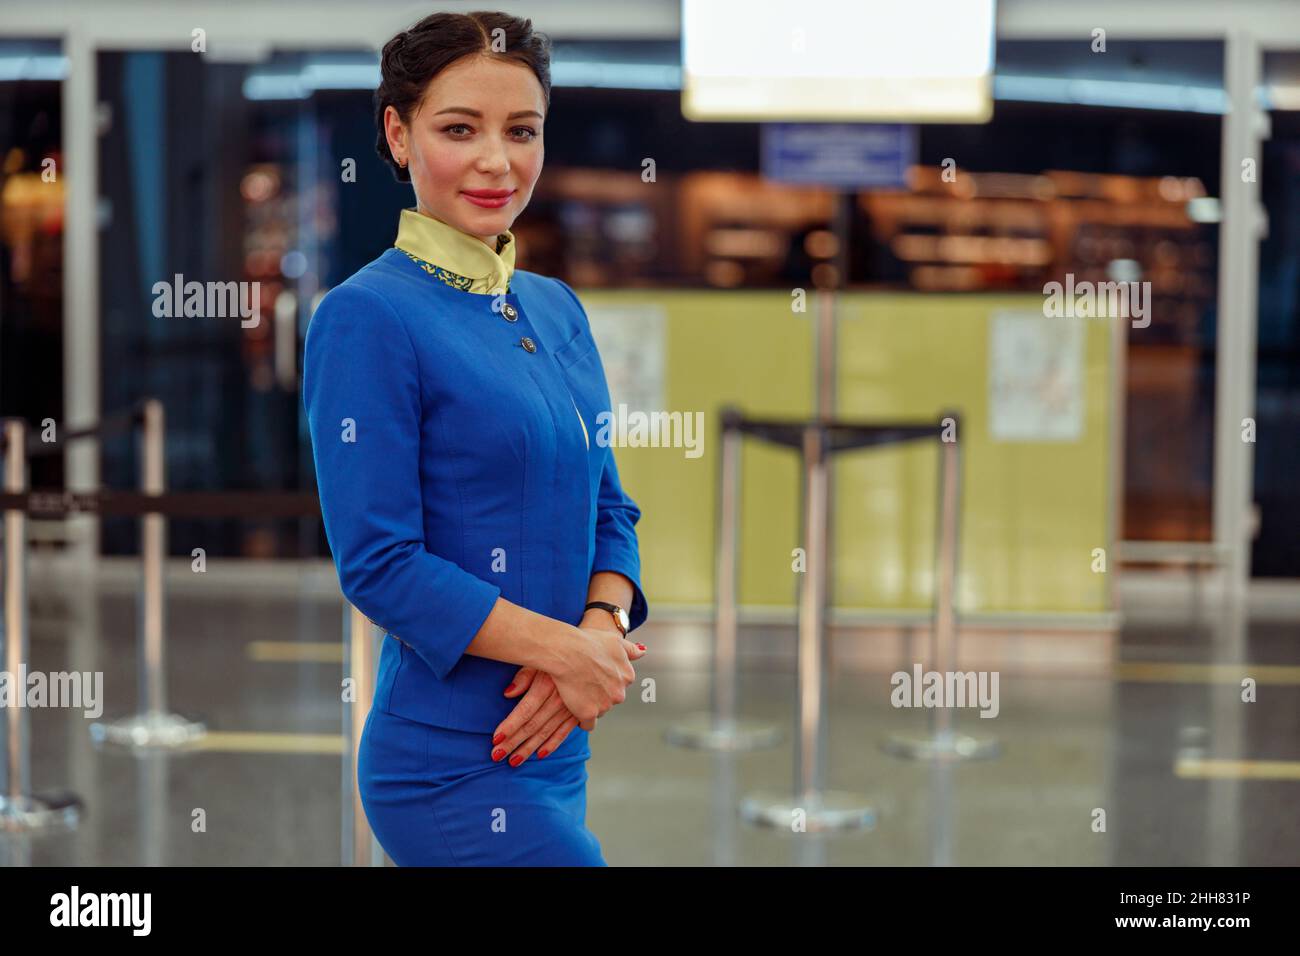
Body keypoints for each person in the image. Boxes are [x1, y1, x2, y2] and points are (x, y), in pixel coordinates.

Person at [302, 10, 648, 866]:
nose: (498, 161)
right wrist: (569, 652)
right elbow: (380, 562)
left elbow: (611, 504)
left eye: (521, 131)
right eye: (460, 128)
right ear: (397, 133)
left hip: (558, 740)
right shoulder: (367, 316)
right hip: (452, 762)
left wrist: (602, 630)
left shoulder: (554, 307)